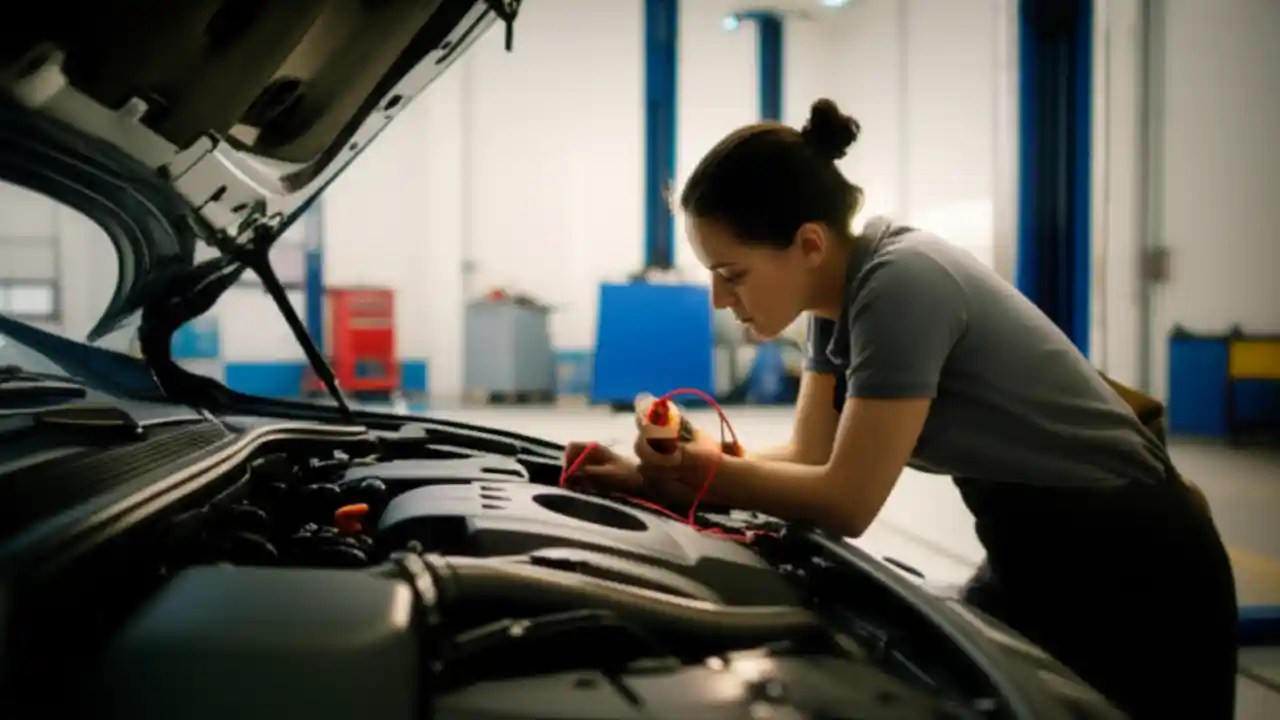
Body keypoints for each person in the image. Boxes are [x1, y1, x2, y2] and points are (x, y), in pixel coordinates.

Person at [562, 98, 1238, 718]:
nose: (717, 299)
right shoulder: (838, 300)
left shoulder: (901, 282)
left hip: (1132, 564)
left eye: (731, 274)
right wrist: (650, 472)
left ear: (808, 244)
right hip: (1035, 547)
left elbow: (847, 500)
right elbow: (808, 456)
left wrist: (695, 471)